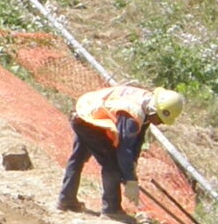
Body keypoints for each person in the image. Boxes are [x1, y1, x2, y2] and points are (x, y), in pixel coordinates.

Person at [57, 85, 180, 217]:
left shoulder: (146, 102)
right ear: (154, 110)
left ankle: (66, 199)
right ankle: (112, 209)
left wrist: (132, 163)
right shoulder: (133, 113)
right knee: (112, 164)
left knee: (78, 158)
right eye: (160, 119)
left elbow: (138, 139)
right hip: (90, 121)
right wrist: (130, 179)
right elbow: (123, 149)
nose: (161, 123)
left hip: (86, 112)